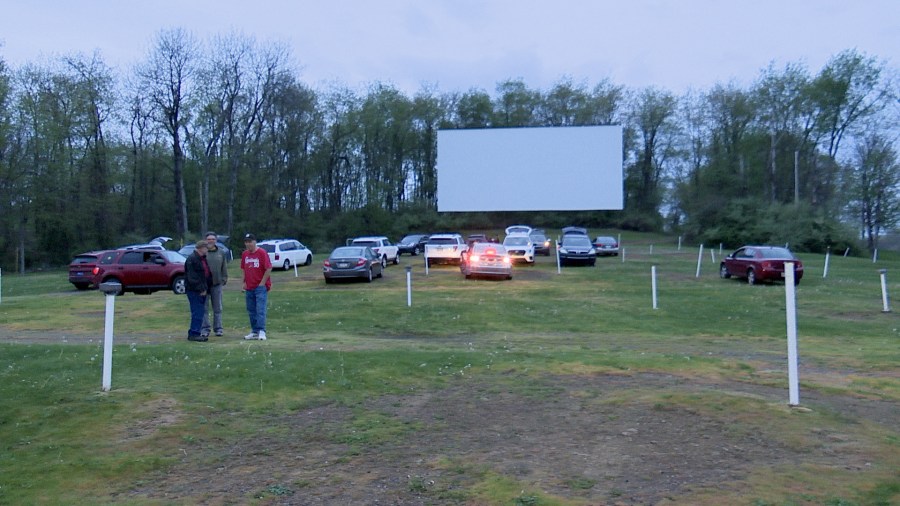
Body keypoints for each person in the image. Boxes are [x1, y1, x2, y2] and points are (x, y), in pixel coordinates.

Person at [240, 233, 272, 340]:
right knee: (251, 310)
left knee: (260, 309)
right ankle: (255, 331)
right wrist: (243, 282)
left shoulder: (262, 253)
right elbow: (243, 269)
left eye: (250, 241)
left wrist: (262, 283)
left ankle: (262, 330)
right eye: (246, 242)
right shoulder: (245, 254)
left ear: (255, 242)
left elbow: (268, 268)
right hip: (249, 286)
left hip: (260, 287)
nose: (248, 244)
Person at [201, 232, 229, 337]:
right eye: (209, 239)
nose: (210, 241)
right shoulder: (203, 252)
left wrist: (224, 278)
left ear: (216, 240)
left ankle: (218, 329)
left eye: (213, 239)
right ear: (205, 240)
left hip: (216, 284)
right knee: (204, 308)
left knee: (217, 308)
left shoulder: (221, 252)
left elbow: (224, 267)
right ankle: (205, 329)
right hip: (204, 284)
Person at [184, 240, 212, 342]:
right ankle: (194, 333)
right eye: (205, 247)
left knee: (200, 312)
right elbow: (192, 277)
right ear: (201, 248)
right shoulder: (192, 259)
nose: (207, 249)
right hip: (195, 291)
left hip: (202, 289)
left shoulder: (201, 259)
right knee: (197, 312)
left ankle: (196, 332)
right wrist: (201, 289)